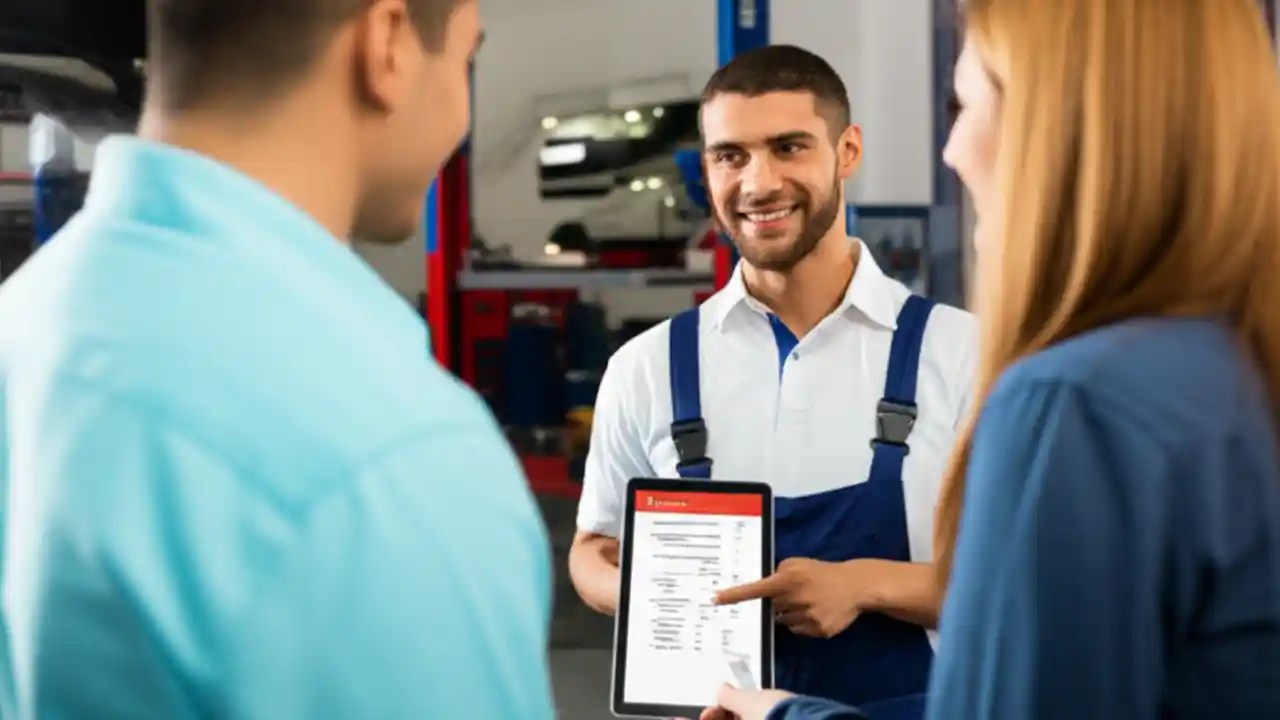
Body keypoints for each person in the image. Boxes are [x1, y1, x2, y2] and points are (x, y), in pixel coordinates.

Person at [699, 0, 1280, 718]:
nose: (951, 149)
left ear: (1059, 132)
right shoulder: (1232, 370)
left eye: (965, 103)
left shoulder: (1075, 402)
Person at [0, 1, 555, 718]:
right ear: (387, 43)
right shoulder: (391, 455)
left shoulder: (24, 321)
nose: (460, 114)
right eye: (463, 61)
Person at [569, 44, 979, 713]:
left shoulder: (963, 355)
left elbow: (1021, 585)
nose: (758, 183)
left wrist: (865, 585)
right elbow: (593, 550)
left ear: (846, 152)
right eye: (731, 155)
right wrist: (669, 597)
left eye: (789, 147)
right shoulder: (645, 368)